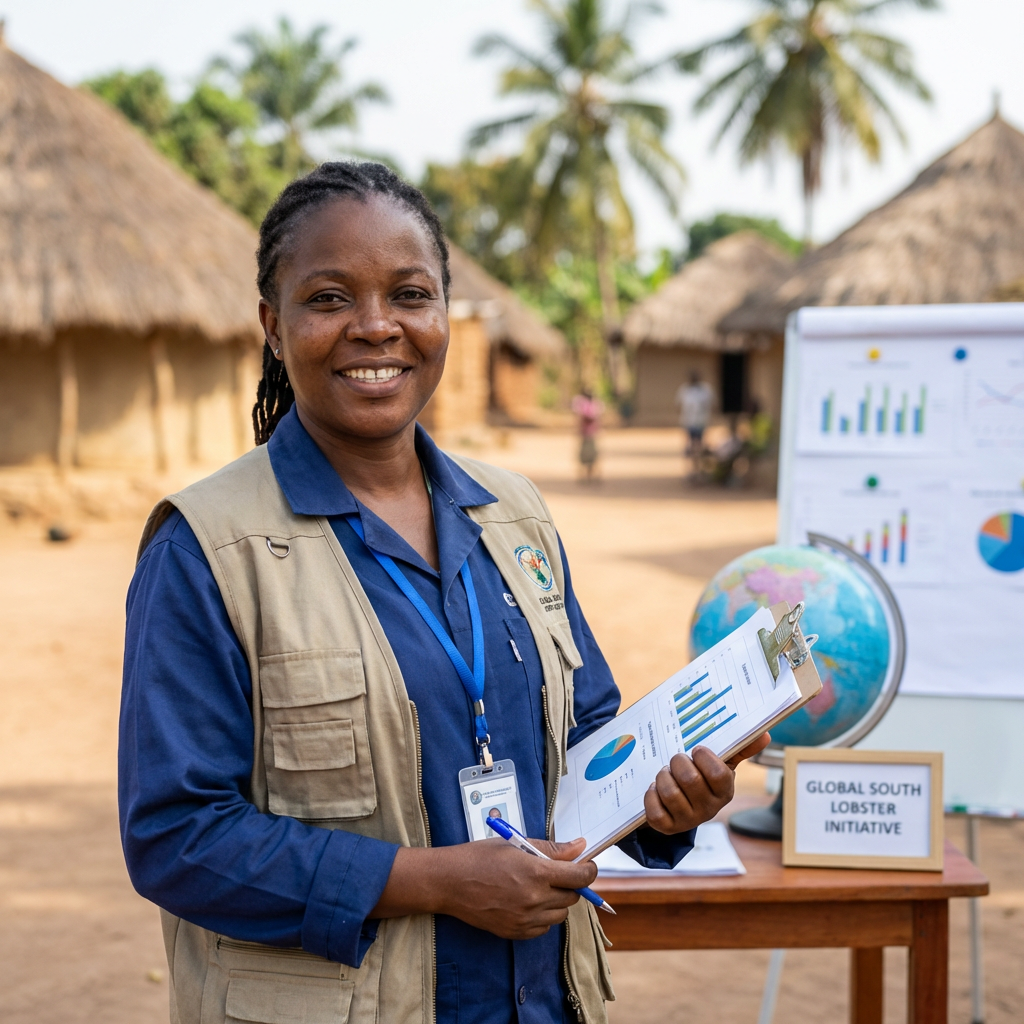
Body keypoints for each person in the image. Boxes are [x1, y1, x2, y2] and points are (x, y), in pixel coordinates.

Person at [119, 162, 768, 1024]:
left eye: (409, 294)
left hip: (538, 1001)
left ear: (445, 316)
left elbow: (583, 738)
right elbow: (176, 838)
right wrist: (431, 882)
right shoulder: (207, 551)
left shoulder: (517, 517)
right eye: (329, 299)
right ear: (273, 326)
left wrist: (665, 805)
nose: (376, 327)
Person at [676, 372, 714, 474]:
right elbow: (679, 406)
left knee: (699, 446)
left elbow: (711, 404)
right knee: (691, 447)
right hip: (689, 422)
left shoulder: (705, 390)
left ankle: (700, 469)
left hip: (701, 422)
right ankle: (693, 469)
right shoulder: (685, 390)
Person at [570, 388, 603, 481]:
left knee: (592, 455)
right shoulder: (582, 404)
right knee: (584, 455)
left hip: (592, 433)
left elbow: (595, 417)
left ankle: (591, 475)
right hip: (585, 433)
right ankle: (584, 475)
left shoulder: (595, 404)